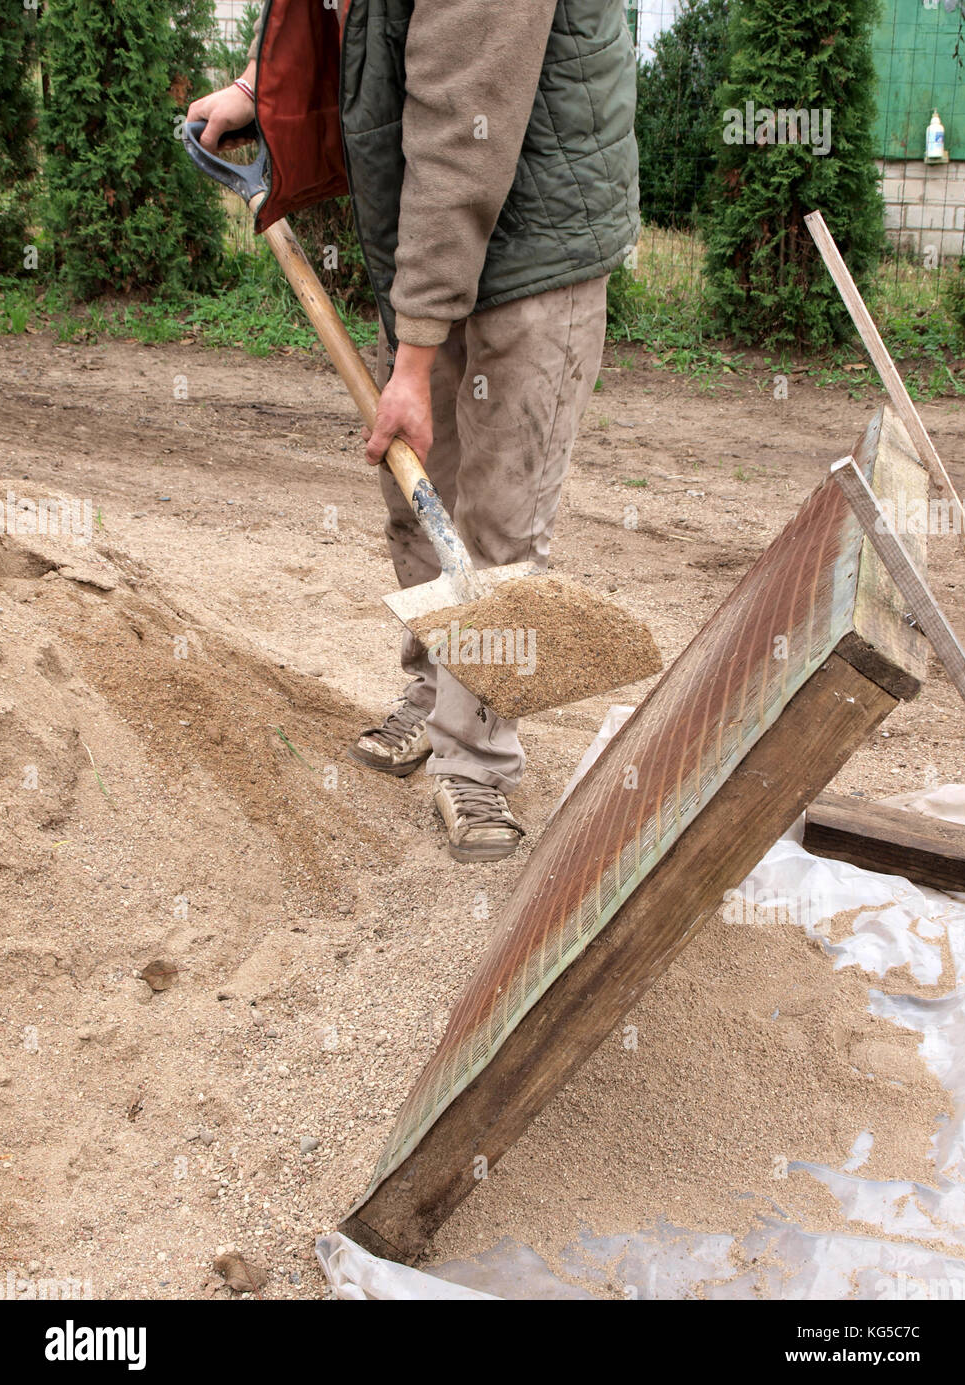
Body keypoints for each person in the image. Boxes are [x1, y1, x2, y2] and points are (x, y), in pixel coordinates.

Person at [188, 0, 639, 863]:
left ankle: (476, 760)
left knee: (495, 518)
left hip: (535, 241)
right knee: (414, 486)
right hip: (432, 231)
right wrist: (258, 86)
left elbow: (459, 137)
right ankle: (438, 695)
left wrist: (412, 357)